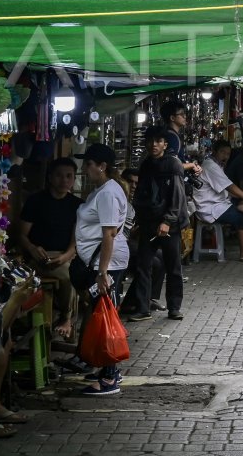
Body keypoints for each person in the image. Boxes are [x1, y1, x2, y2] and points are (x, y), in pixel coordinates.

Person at [69, 143, 130, 395]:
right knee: (101, 313)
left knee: (105, 315)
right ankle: (106, 368)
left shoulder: (107, 193)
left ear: (101, 167)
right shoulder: (105, 190)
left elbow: (109, 234)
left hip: (107, 264)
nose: (85, 169)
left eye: (89, 164)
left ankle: (109, 377)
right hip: (102, 263)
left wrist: (103, 272)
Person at [124, 128, 187, 322]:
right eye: (150, 141)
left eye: (158, 141)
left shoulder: (174, 165)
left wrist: (167, 221)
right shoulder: (146, 165)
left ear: (165, 144)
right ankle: (143, 308)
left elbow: (177, 198)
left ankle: (174, 307)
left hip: (170, 225)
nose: (154, 145)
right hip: (149, 223)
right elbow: (143, 194)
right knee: (144, 265)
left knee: (173, 266)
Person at [15, 158, 80, 340]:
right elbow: (22, 235)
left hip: (63, 256)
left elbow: (75, 242)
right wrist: (33, 248)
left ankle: (67, 319)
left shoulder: (77, 205)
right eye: (59, 175)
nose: (64, 180)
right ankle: (24, 323)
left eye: (69, 176)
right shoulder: (35, 201)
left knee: (70, 275)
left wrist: (66, 256)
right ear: (50, 177)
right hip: (36, 257)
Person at [193, 140, 243, 262]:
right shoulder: (210, 166)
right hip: (209, 208)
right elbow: (229, 186)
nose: (225, 156)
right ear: (214, 152)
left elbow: (223, 188)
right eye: (222, 152)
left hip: (218, 204)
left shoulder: (217, 165)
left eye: (228, 153)